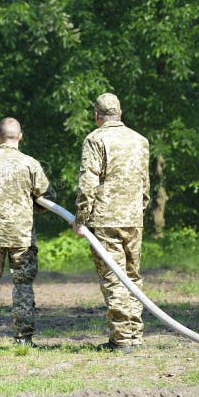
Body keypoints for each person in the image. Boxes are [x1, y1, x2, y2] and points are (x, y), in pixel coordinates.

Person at [72, 93, 150, 353]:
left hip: (105, 220)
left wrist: (81, 217)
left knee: (113, 278)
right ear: (120, 114)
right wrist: (139, 210)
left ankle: (121, 339)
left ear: (97, 115)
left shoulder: (95, 139)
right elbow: (145, 184)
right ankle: (135, 335)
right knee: (133, 277)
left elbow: (88, 182)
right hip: (133, 219)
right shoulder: (140, 140)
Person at [0, 117, 50, 352]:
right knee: (22, 286)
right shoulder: (30, 164)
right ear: (20, 136)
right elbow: (43, 197)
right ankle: (23, 338)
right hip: (22, 237)